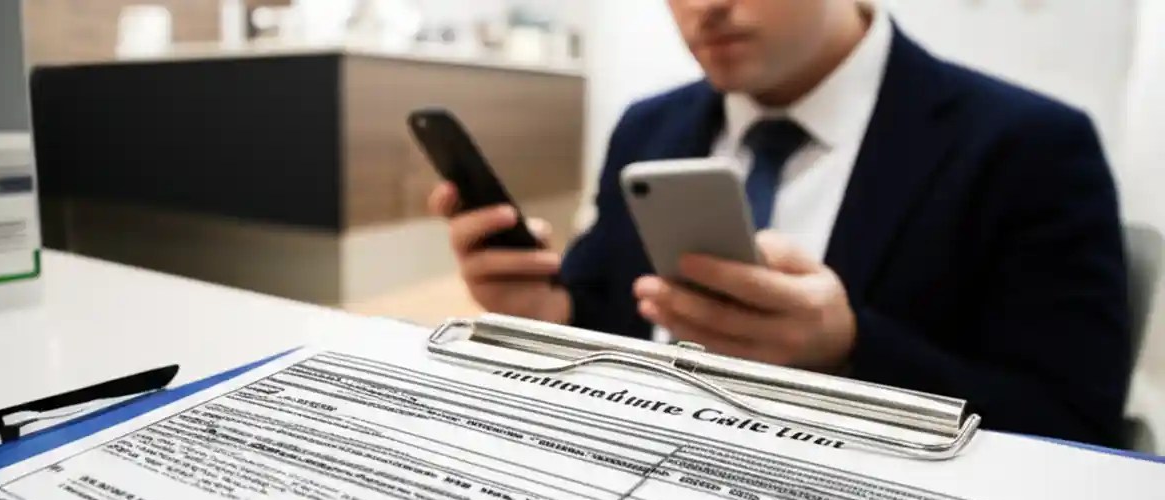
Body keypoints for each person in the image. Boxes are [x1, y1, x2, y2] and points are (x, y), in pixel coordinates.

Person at [428, 0, 1130, 447]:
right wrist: (546, 309)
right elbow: (608, 310)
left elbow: (1073, 424)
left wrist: (851, 352)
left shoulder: (1030, 147)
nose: (704, 8)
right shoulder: (649, 126)